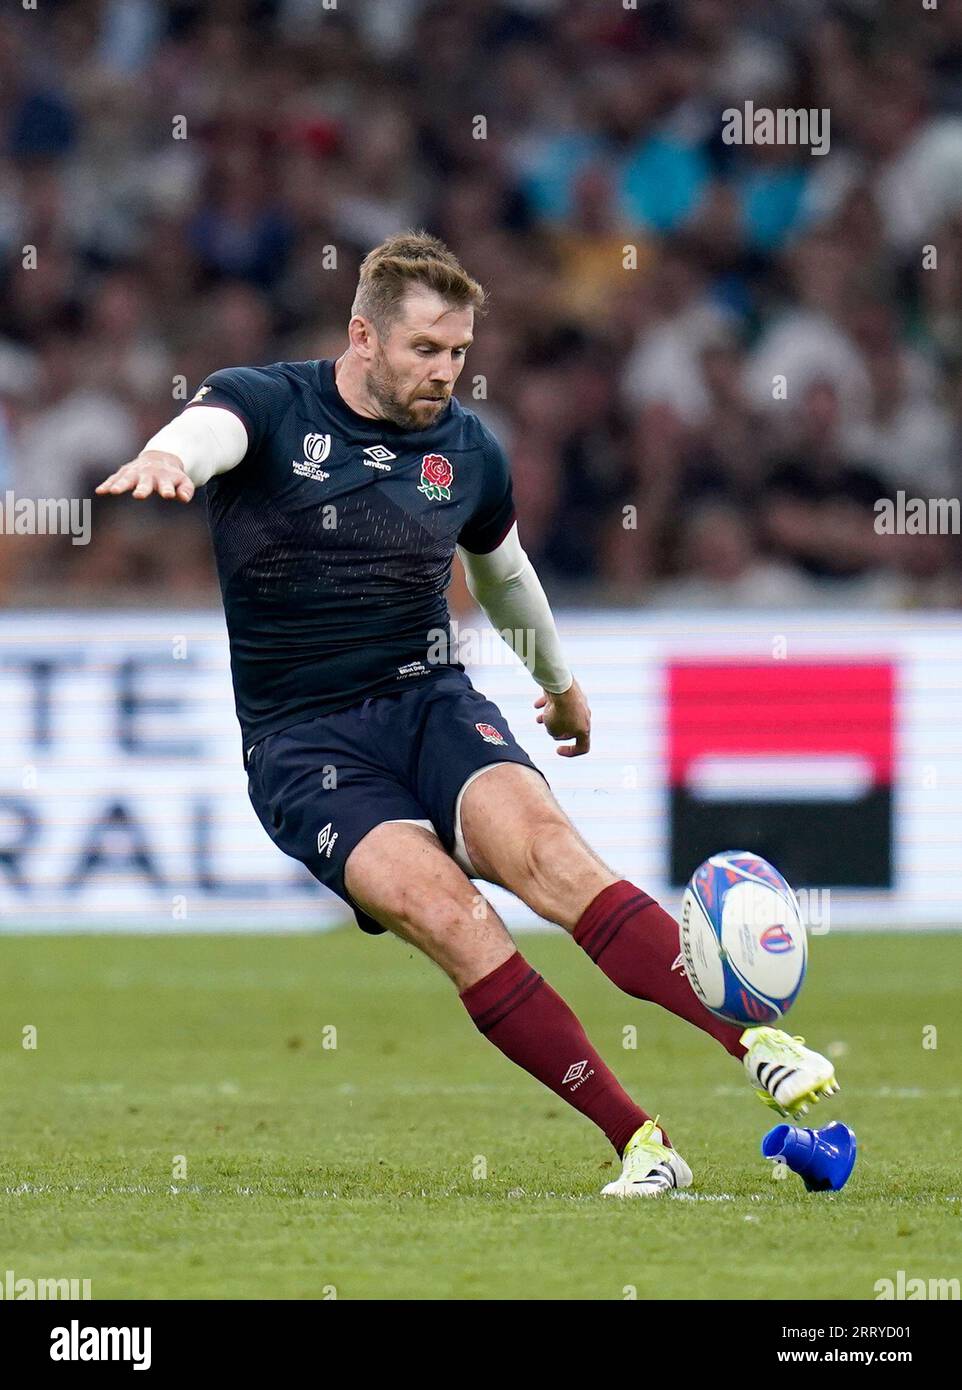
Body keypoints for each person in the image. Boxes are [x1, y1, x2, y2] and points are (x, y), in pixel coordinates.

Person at [96, 231, 838, 1197]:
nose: (445, 372)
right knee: (453, 917)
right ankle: (642, 1141)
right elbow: (209, 431)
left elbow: (503, 573)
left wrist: (561, 684)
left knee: (552, 859)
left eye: (458, 353)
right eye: (425, 351)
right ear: (363, 336)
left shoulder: (468, 451)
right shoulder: (271, 402)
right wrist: (168, 457)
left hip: (428, 702)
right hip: (302, 744)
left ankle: (756, 1045)